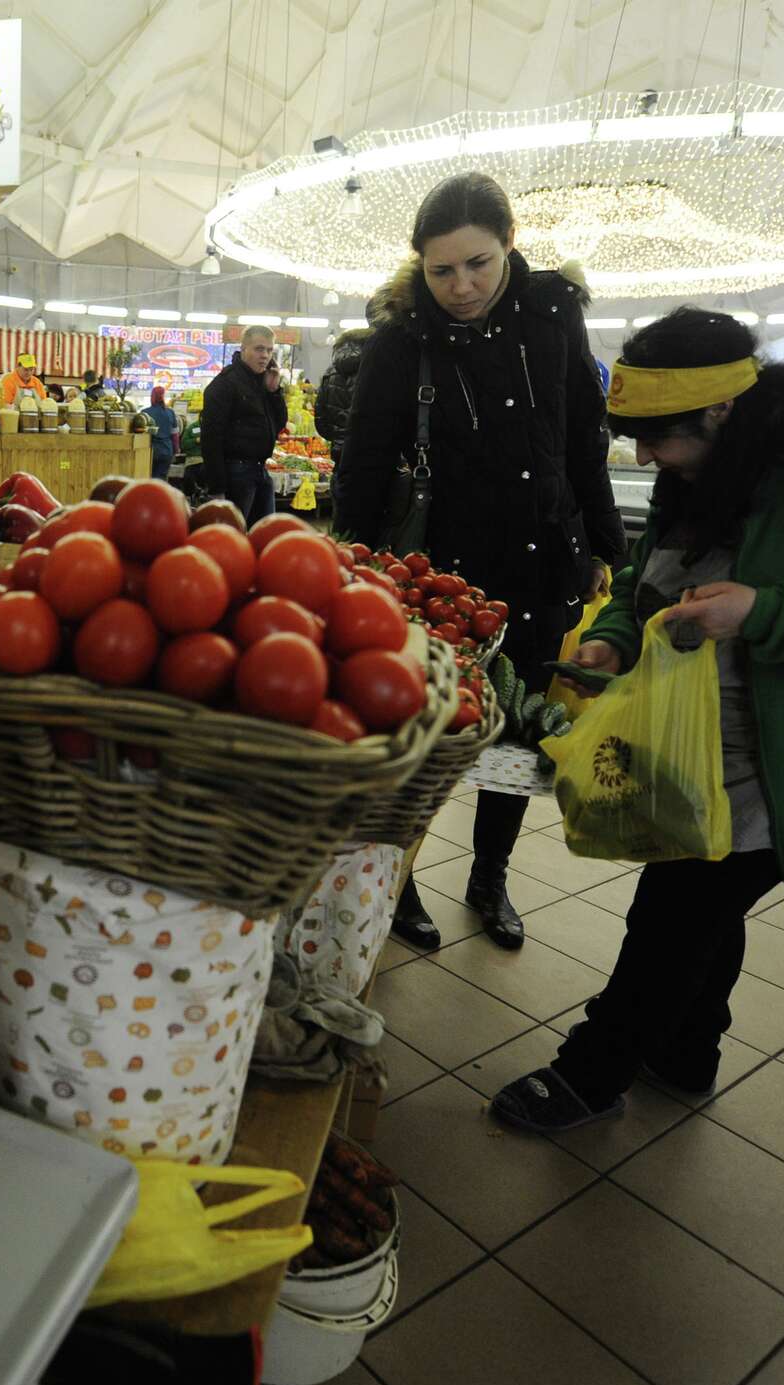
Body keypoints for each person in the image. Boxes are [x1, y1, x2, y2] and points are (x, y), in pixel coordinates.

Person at [488, 308, 784, 1133]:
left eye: (656, 437)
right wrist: (612, 638)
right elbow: (652, 569)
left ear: (722, 410)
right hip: (697, 737)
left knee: (674, 912)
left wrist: (766, 612)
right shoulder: (707, 466)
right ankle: (686, 1052)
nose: (643, 458)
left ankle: (591, 1073)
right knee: (702, 911)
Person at [337, 172, 624, 950]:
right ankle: (399, 881)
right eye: (442, 271)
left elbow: (582, 440)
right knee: (421, 736)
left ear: (510, 247)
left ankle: (490, 875)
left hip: (543, 562)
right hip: (442, 579)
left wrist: (603, 545)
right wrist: (346, 569)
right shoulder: (401, 340)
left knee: (518, 735)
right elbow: (363, 463)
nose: (461, 286)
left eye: (479, 264)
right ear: (418, 268)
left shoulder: (554, 315)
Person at [199, 325, 287, 523]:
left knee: (264, 538)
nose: (265, 355)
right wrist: (217, 489)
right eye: (259, 349)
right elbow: (211, 439)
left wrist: (274, 391)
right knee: (234, 539)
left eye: (269, 350)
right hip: (235, 474)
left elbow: (279, 425)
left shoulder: (263, 383)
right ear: (243, 348)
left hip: (261, 472)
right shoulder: (225, 384)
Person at [313, 326, 370, 458]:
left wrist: (338, 437)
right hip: (373, 454)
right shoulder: (375, 368)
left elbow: (321, 423)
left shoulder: (330, 373)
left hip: (341, 454)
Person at [142, 385, 180, 478]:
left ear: (152, 396)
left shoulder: (145, 413)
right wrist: (176, 450)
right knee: (161, 478)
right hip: (167, 451)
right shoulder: (170, 412)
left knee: (149, 477)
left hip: (150, 451)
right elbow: (175, 434)